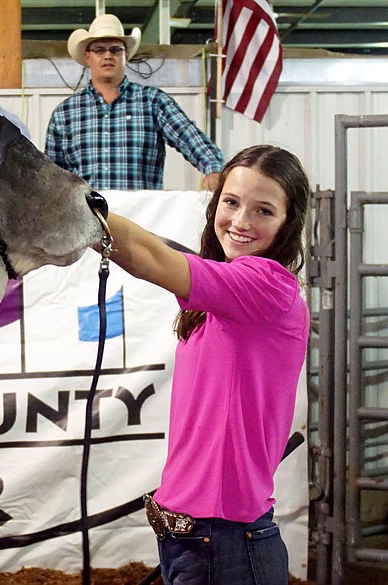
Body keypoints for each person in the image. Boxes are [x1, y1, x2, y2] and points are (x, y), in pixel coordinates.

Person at [98, 144, 310, 584]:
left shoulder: (267, 286)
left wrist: (79, 205)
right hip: (198, 541)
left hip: (225, 544)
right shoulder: (226, 293)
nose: (240, 221)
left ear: (289, 223)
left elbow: (151, 258)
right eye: (231, 202)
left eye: (264, 210)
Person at [45, 14, 224, 191]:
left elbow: (190, 137)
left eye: (115, 50)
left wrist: (213, 168)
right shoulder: (65, 113)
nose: (108, 56)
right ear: (87, 57)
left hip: (142, 216)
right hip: (86, 215)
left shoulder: (153, 102)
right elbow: (52, 177)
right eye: (99, 50)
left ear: (126, 55)